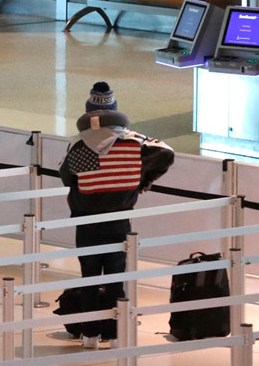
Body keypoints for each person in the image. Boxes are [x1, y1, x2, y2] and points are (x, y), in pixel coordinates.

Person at [59, 81, 175, 348]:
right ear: (115, 111)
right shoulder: (134, 143)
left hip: (85, 221)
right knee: (116, 278)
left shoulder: (79, 146)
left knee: (89, 277)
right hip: (118, 220)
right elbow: (167, 153)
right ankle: (114, 334)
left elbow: (66, 178)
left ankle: (90, 335)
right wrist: (143, 180)